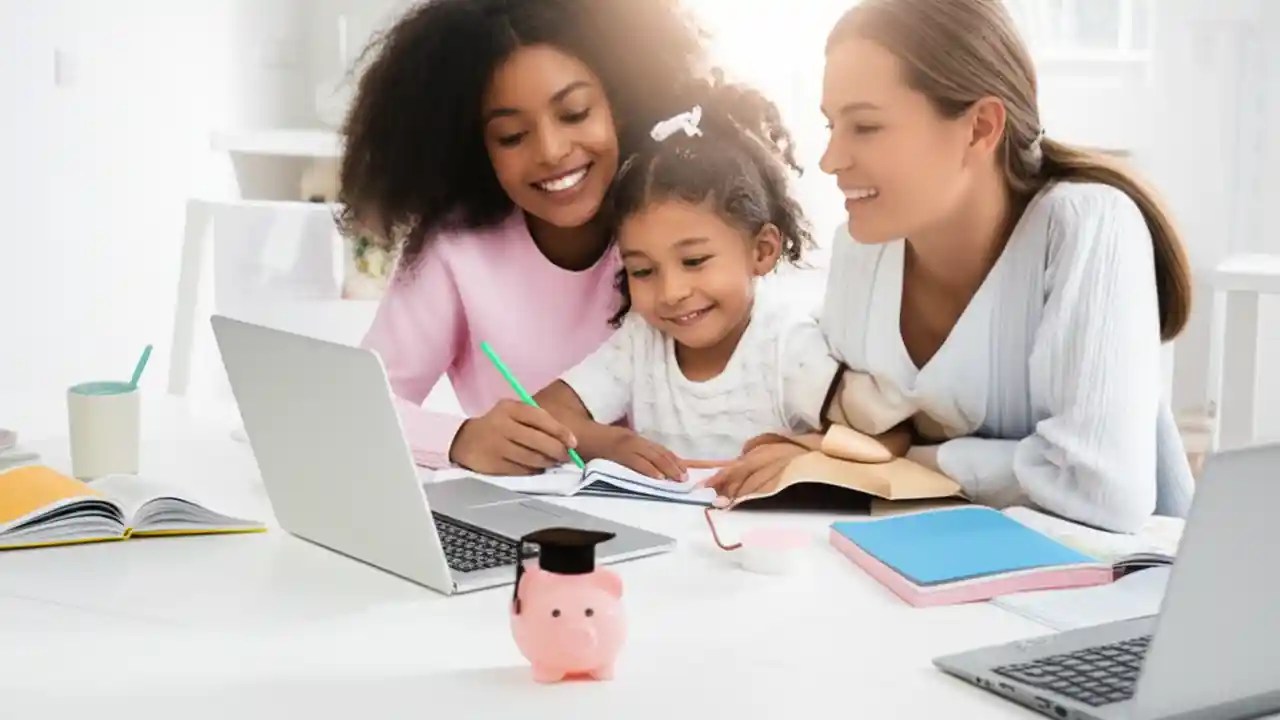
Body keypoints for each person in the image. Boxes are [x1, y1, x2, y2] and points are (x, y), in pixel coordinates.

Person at [708, 0, 1196, 534]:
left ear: (980, 127)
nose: (830, 159)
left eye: (865, 126)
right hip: (936, 579)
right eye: (831, 125)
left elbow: (1098, 489)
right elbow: (869, 434)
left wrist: (899, 467)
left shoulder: (1087, 225)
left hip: (1119, 598)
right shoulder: (860, 252)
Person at [339, 0, 709, 475]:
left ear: (620, 105)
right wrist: (458, 439)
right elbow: (357, 402)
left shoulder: (684, 222)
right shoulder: (457, 251)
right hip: (527, 524)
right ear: (476, 149)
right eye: (512, 136)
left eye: (574, 113)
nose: (552, 152)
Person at [533, 83, 838, 480]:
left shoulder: (787, 344)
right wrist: (611, 443)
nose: (672, 292)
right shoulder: (642, 341)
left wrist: (805, 456)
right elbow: (545, 412)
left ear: (761, 251)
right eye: (642, 271)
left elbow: (884, 435)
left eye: (694, 261)